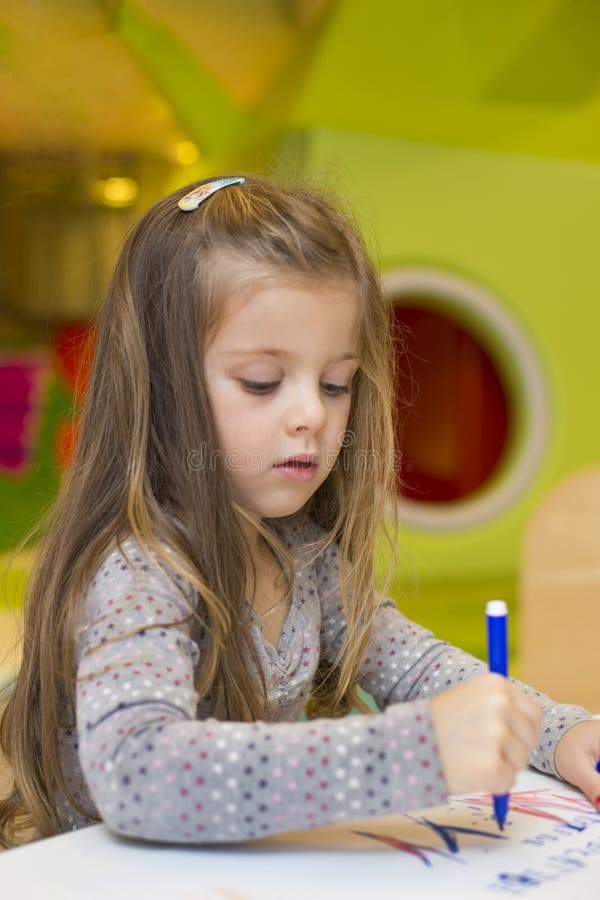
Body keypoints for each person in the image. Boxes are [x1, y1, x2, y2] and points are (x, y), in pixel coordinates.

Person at [1, 174, 598, 848]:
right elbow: (140, 775)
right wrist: (412, 754)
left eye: (336, 383)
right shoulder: (139, 568)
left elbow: (420, 670)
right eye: (262, 382)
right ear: (163, 390)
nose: (313, 414)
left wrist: (561, 731)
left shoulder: (303, 552)